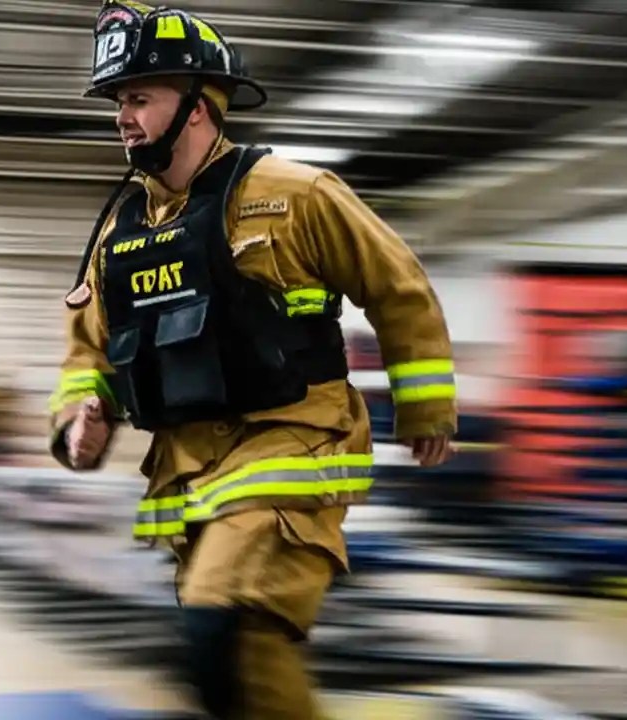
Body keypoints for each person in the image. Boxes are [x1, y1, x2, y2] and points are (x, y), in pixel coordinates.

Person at [48, 2, 458, 718]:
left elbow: (400, 286)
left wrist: (424, 407)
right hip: (188, 474)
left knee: (228, 627)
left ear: (199, 107)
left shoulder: (294, 194)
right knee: (221, 666)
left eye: (139, 97)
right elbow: (90, 354)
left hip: (290, 444)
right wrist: (79, 423)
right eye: (119, 100)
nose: (122, 115)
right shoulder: (119, 233)